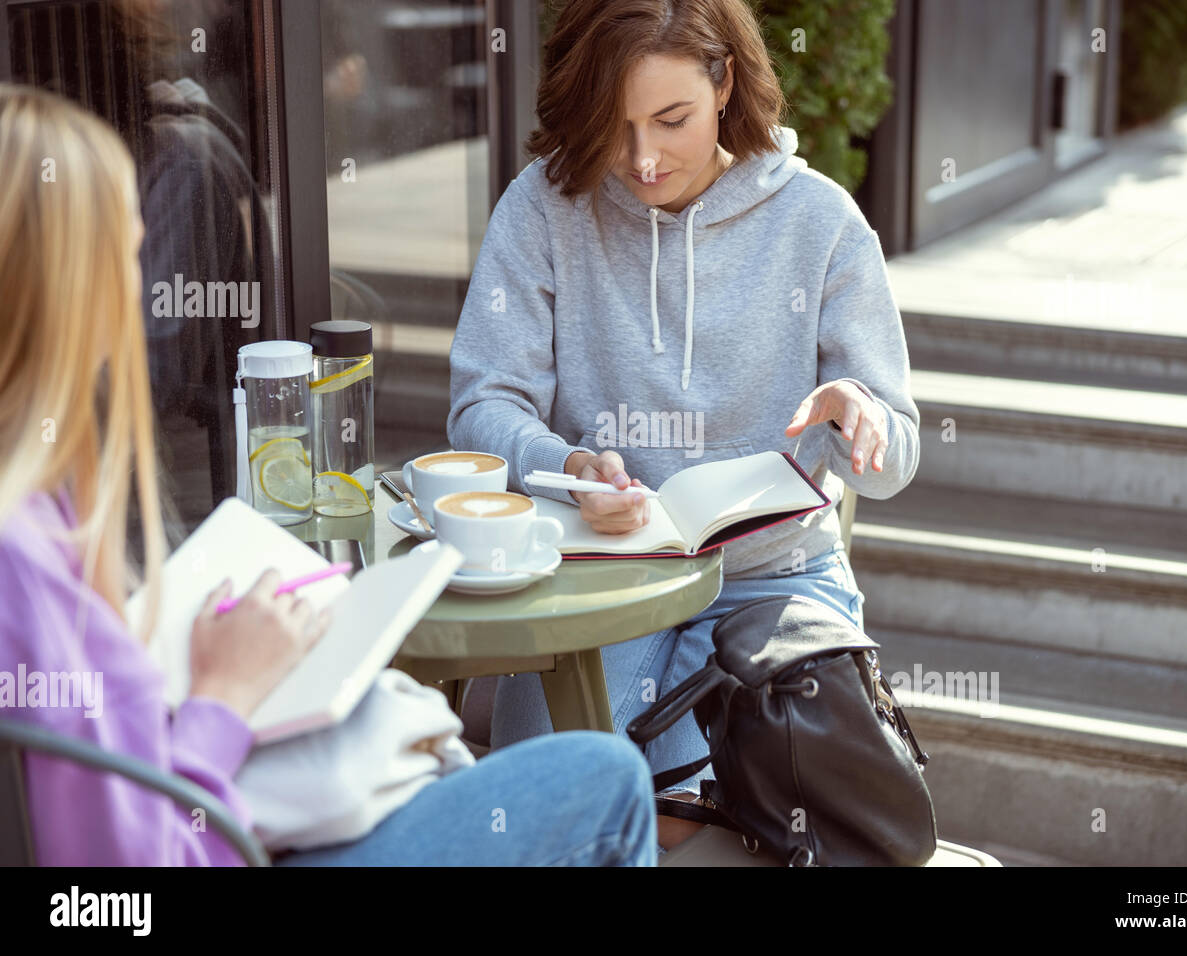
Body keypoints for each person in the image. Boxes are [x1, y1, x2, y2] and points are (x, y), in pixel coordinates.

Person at [0, 84, 656, 867]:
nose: (143, 289)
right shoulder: (24, 563)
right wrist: (222, 697)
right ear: (69, 294)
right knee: (606, 779)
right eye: (129, 255)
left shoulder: (36, 528)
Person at [447, 0, 921, 850]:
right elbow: (483, 403)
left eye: (672, 120)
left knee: (705, 825)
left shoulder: (820, 222)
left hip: (772, 584)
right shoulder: (546, 206)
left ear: (725, 81)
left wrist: (864, 418)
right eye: (613, 124)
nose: (641, 158)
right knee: (554, 821)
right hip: (598, 581)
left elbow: (894, 461)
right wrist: (565, 466)